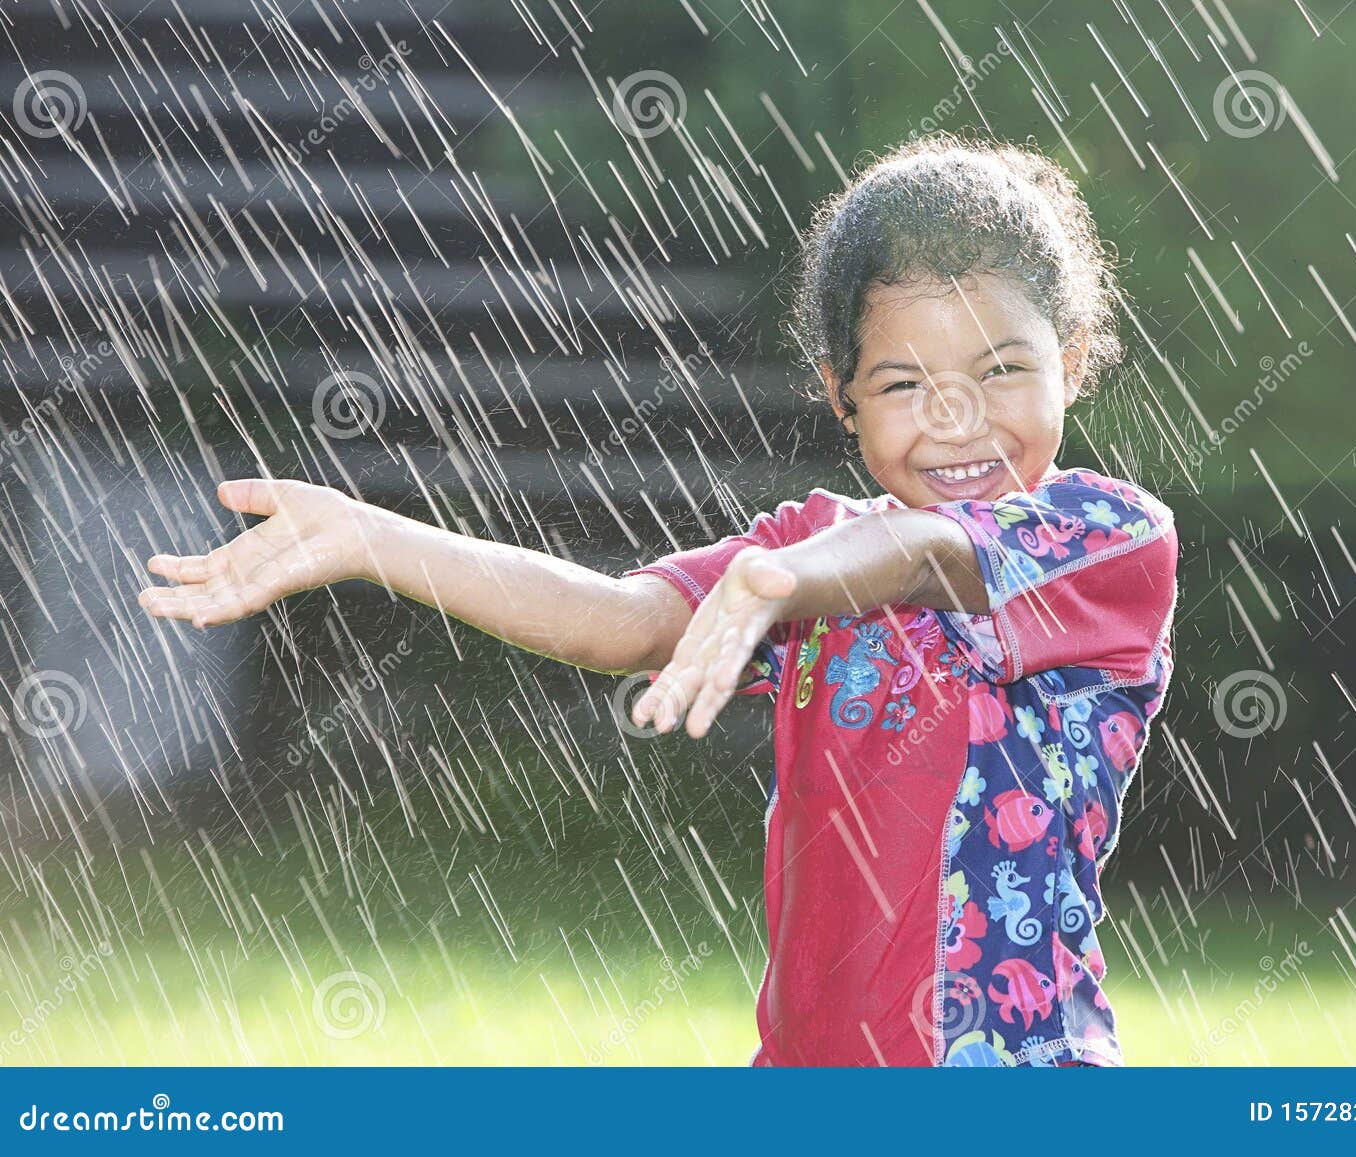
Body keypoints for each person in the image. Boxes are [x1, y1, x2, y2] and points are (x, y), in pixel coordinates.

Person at [137, 132, 1179, 1067]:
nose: (956, 420)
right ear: (839, 394)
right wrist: (378, 537)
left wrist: (784, 582)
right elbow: (620, 617)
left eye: (1000, 370)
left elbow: (926, 557)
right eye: (904, 384)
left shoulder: (1103, 539)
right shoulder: (804, 546)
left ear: (1072, 361)